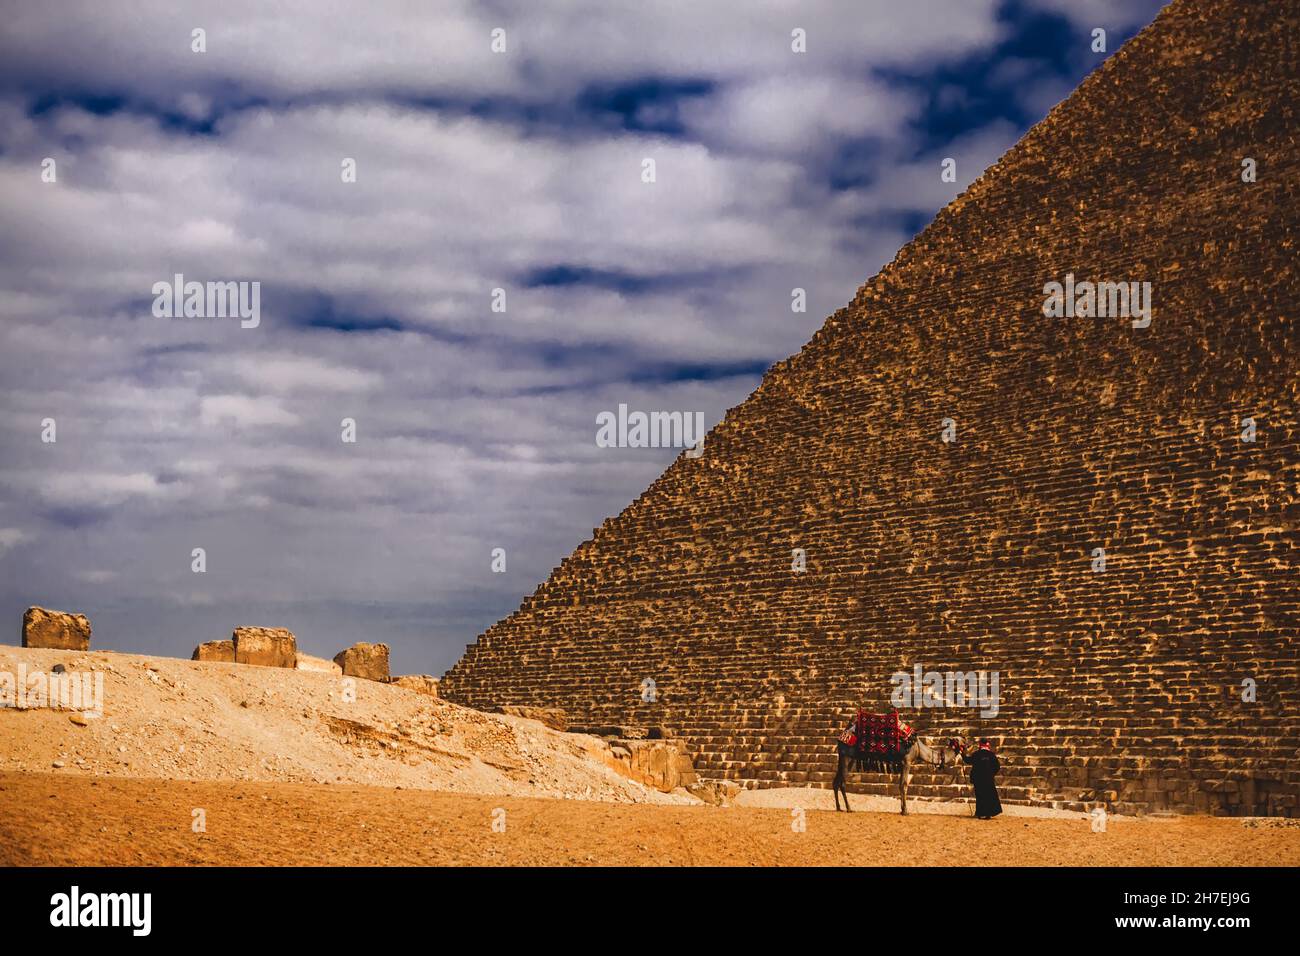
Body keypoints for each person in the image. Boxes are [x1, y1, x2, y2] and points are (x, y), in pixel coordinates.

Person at [962, 739, 1002, 819]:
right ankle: (988, 814)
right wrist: (991, 774)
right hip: (988, 779)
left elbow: (968, 760)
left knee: (980, 795)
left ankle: (980, 813)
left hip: (978, 779)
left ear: (980, 745)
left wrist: (962, 754)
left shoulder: (976, 754)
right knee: (989, 795)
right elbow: (997, 766)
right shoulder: (991, 755)